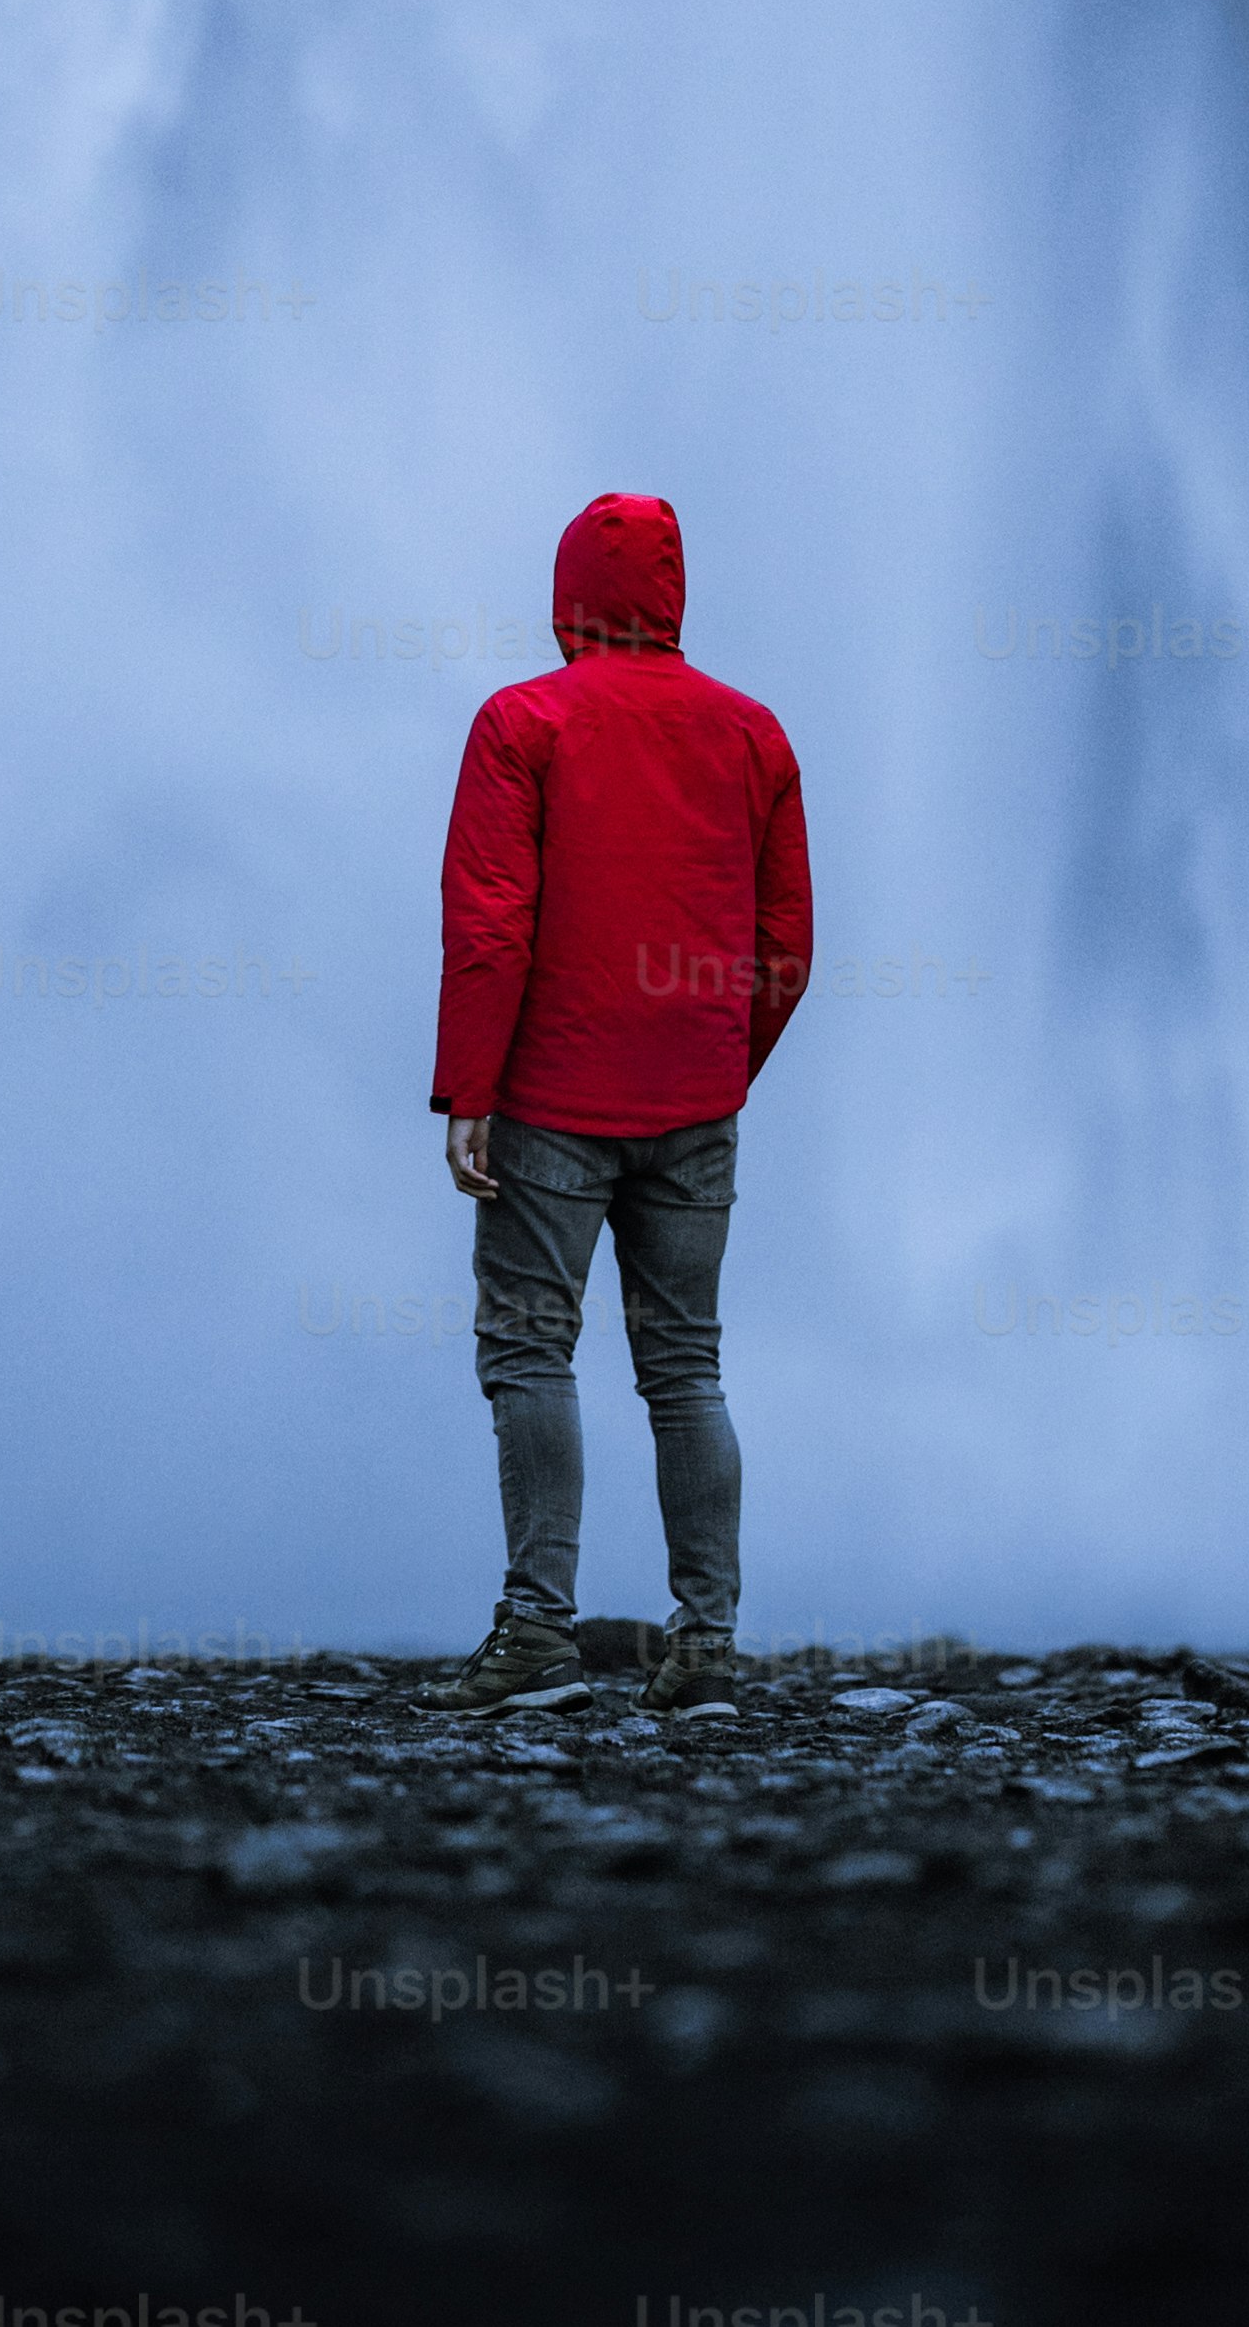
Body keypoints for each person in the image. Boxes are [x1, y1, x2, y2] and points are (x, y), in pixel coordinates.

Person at [423, 490, 812, 1720]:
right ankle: (706, 1642)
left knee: (533, 1349)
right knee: (686, 1367)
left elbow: (492, 921)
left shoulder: (521, 722)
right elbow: (787, 940)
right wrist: (715, 1061)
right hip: (694, 1102)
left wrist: (470, 1089)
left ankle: (539, 1628)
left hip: (548, 1100)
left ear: (566, 599)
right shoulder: (754, 733)